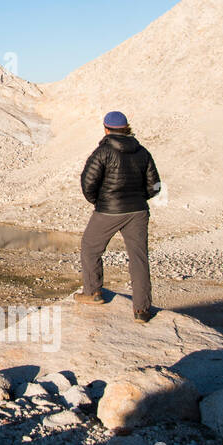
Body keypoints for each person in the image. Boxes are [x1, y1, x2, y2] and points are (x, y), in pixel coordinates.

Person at [76, 111, 161, 323]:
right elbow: (156, 185)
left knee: (90, 247)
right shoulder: (143, 152)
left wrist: (99, 201)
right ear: (126, 128)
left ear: (106, 128)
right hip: (138, 211)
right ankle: (141, 310)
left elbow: (88, 182)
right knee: (139, 258)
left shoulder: (103, 152)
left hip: (109, 210)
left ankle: (93, 292)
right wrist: (141, 197)